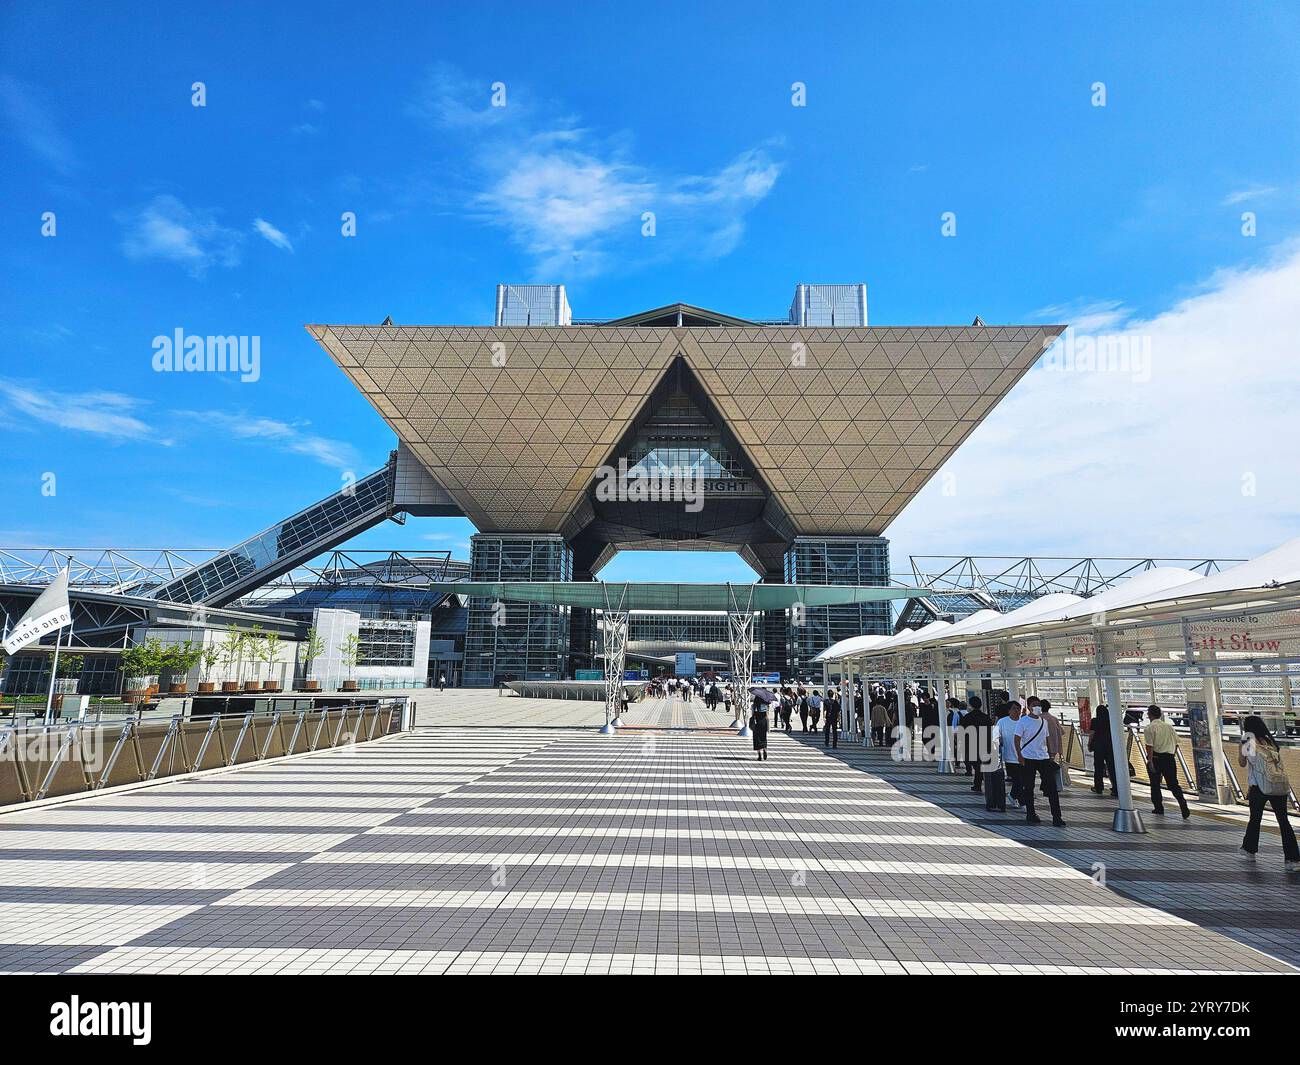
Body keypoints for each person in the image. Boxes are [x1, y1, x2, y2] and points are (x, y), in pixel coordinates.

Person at [1237, 715, 1299, 869]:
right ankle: (1292, 859)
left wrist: (1241, 749)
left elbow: (1242, 763)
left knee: (1255, 819)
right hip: (1278, 786)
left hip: (1259, 787)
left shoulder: (1248, 738)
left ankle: (1249, 850)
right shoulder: (1270, 741)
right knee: (1283, 821)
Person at [1015, 699, 1065, 826]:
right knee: (1029, 787)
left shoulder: (1044, 721)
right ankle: (1030, 813)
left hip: (1043, 757)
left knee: (1052, 788)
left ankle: (1057, 816)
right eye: (1034, 705)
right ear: (1029, 707)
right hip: (1028, 758)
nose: (1037, 707)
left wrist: (1050, 754)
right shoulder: (1023, 721)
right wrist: (1020, 756)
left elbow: (1046, 738)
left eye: (1038, 705)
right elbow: (1017, 739)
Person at [1144, 705, 1190, 819]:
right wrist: (1172, 754)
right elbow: (1176, 744)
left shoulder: (1149, 728)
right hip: (1169, 758)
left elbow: (1149, 746)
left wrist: (1150, 761)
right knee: (1173, 783)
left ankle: (1158, 807)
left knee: (1155, 784)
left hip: (1156, 758)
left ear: (1150, 714)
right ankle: (1182, 803)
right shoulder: (1169, 727)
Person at [961, 696, 991, 793]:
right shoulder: (986, 717)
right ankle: (981, 782)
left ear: (970, 705)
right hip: (984, 743)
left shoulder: (967, 717)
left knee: (977, 765)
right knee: (982, 765)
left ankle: (977, 784)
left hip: (971, 744)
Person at [997, 700, 1023, 806]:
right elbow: (996, 736)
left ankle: (1015, 797)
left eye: (1018, 708)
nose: (1016, 711)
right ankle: (1018, 799)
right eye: (1013, 708)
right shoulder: (1002, 722)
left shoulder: (1023, 721)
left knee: (1022, 780)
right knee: (1018, 779)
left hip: (1024, 756)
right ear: (1008, 711)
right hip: (1010, 757)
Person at [1088, 703, 1118, 796]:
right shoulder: (1112, 721)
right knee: (1112, 767)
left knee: (1098, 767)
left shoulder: (1095, 721)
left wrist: (1089, 744)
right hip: (1110, 746)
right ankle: (1116, 788)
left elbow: (1092, 734)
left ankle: (1098, 787)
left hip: (1098, 746)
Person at [750, 696, 770, 762]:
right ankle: (764, 749)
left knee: (757, 738)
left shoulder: (754, 706)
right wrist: (768, 727)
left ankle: (759, 755)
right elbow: (767, 716)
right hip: (763, 722)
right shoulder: (765, 706)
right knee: (763, 737)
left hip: (757, 723)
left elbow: (752, 715)